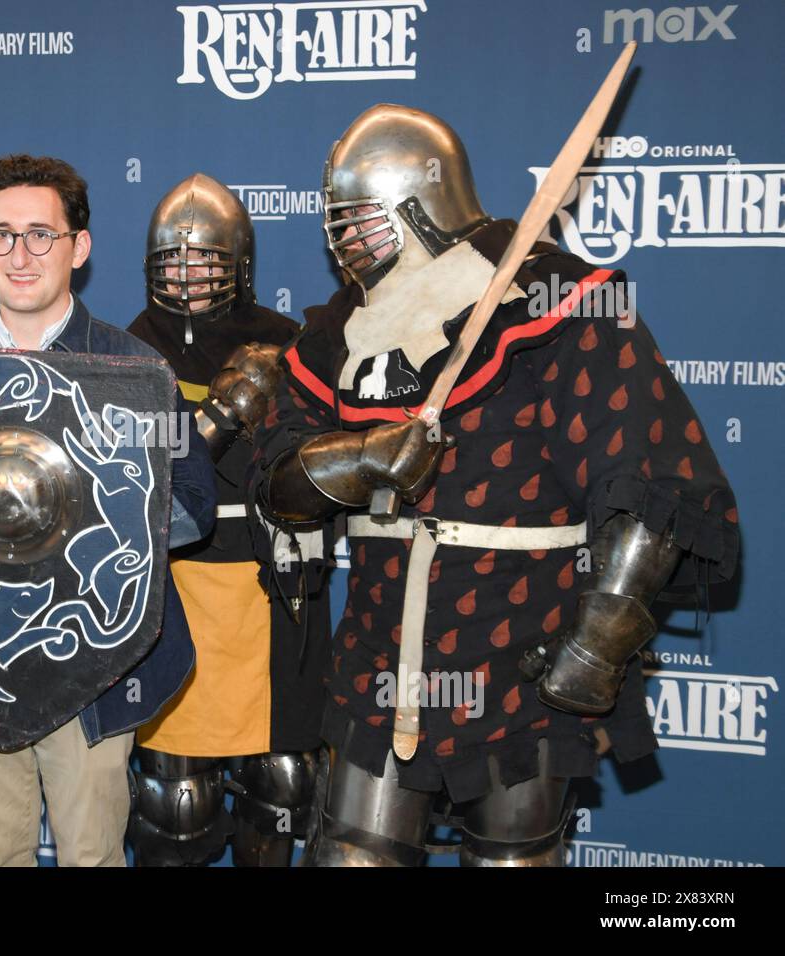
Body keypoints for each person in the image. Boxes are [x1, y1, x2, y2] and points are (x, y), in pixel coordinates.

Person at [250, 105, 740, 866]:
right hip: (378, 655)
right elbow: (279, 478)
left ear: (419, 205)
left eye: (357, 220)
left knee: (514, 859)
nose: (341, 240)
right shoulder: (336, 330)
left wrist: (600, 640)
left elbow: (650, 477)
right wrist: (362, 456)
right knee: (351, 857)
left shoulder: (553, 299)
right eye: (336, 224)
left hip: (519, 653)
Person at [0, 154, 217, 867]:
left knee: (92, 859)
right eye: (1, 235)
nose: (20, 254)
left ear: (80, 246)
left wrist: (96, 526)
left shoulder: (133, 369)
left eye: (41, 234)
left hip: (90, 665)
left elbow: (195, 501)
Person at [125, 173, 323, 866]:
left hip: (274, 582)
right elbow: (134, 482)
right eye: (174, 261)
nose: (188, 275)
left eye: (204, 259)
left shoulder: (289, 342)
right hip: (176, 584)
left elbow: (320, 460)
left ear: (238, 263)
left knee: (283, 783)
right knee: (175, 799)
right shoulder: (129, 352)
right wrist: (219, 417)